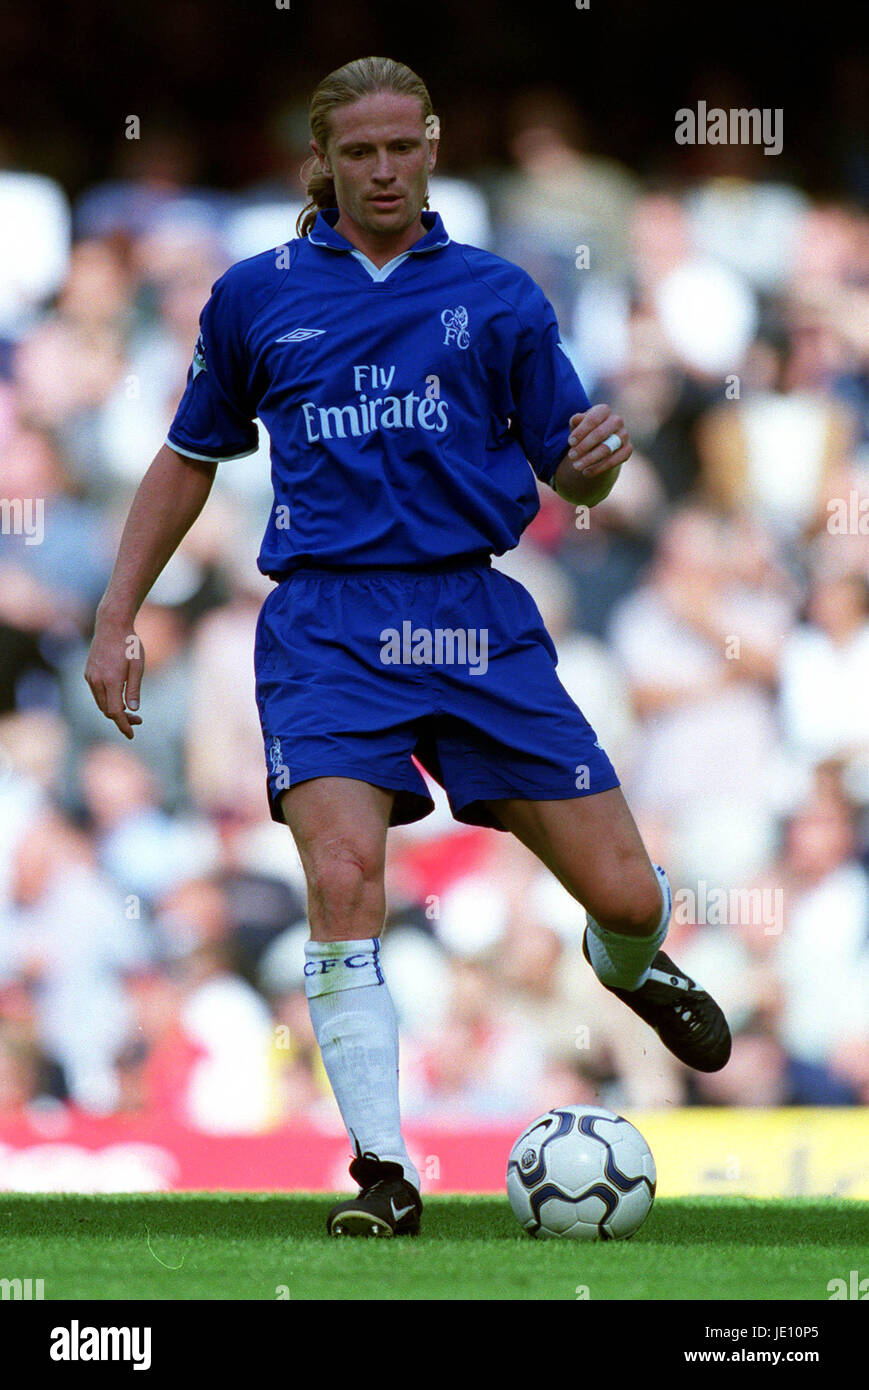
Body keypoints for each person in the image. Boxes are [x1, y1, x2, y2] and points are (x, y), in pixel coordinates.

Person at [84, 56, 730, 1238]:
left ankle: (628, 965)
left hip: (473, 619)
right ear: (321, 164)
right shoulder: (253, 295)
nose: (383, 169)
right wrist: (118, 612)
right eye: (359, 151)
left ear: (431, 147)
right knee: (341, 881)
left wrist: (593, 467)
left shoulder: (500, 294)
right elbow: (189, 455)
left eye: (402, 146)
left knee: (629, 893)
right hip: (326, 624)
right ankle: (383, 1172)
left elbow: (566, 456)